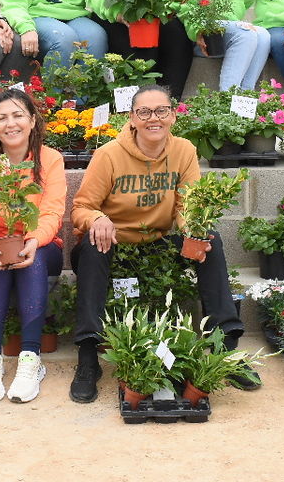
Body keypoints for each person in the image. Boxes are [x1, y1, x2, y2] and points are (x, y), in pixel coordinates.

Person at [67, 85, 255, 403]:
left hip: (159, 244)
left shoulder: (184, 151)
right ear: (132, 118)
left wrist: (194, 230)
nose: (153, 118)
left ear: (172, 115)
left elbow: (188, 206)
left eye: (161, 111)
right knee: (91, 247)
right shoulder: (109, 154)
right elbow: (81, 207)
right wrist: (97, 219)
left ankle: (226, 348)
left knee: (211, 238)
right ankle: (88, 358)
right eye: (144, 112)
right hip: (115, 244)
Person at [0, 89, 66, 403]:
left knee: (29, 259)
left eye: (18, 115)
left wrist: (33, 240)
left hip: (42, 246)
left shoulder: (49, 159)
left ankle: (30, 359)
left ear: (33, 120)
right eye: (2, 118)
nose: (11, 124)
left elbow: (51, 212)